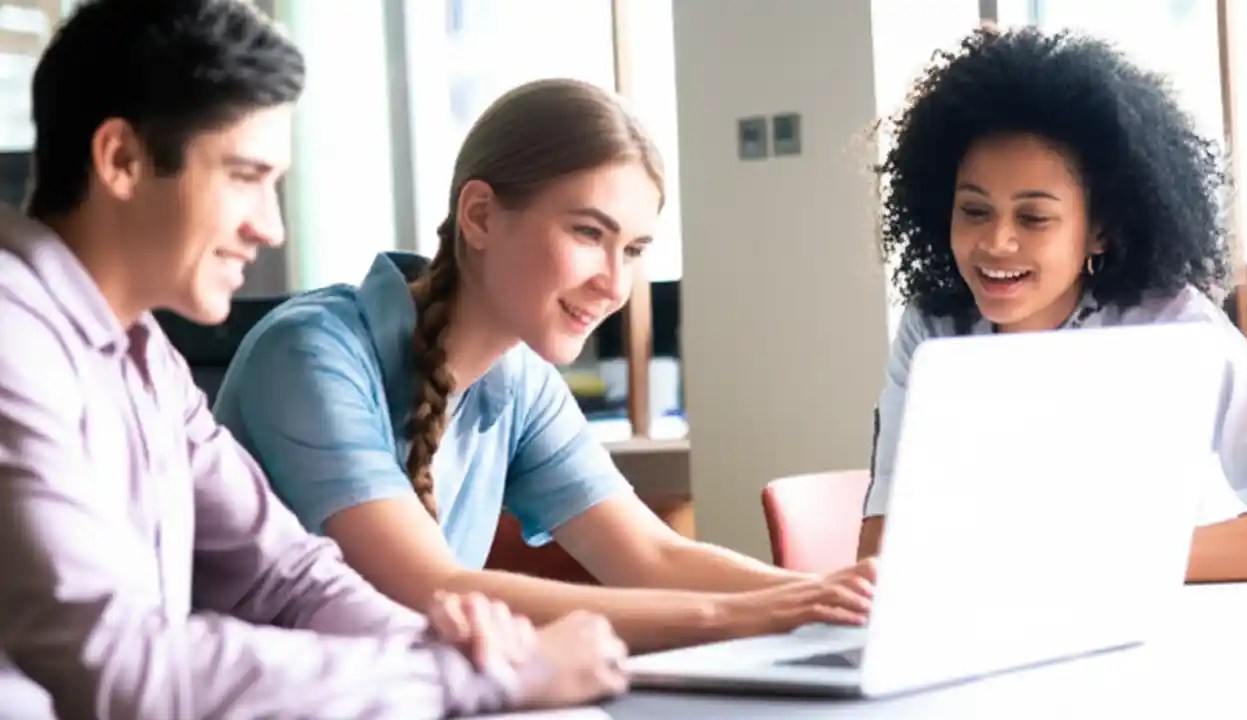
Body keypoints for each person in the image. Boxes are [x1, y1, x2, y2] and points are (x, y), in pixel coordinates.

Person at [0, 1, 629, 717]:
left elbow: (287, 577)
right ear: (121, 160)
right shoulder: (13, 340)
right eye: (245, 176)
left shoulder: (145, 361)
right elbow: (116, 664)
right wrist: (480, 678)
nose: (269, 227)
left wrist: (459, 650)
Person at [213, 77, 878, 652]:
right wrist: (748, 614)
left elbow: (653, 556)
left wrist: (835, 601)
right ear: (479, 215)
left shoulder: (521, 382)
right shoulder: (311, 355)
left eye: (635, 249)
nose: (615, 285)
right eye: (589, 233)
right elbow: (428, 590)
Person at [859, 26, 1247, 582]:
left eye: (1033, 218)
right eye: (974, 210)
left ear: (1099, 230)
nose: (996, 243)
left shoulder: (1174, 326)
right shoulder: (932, 328)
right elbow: (883, 549)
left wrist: (1097, 558)